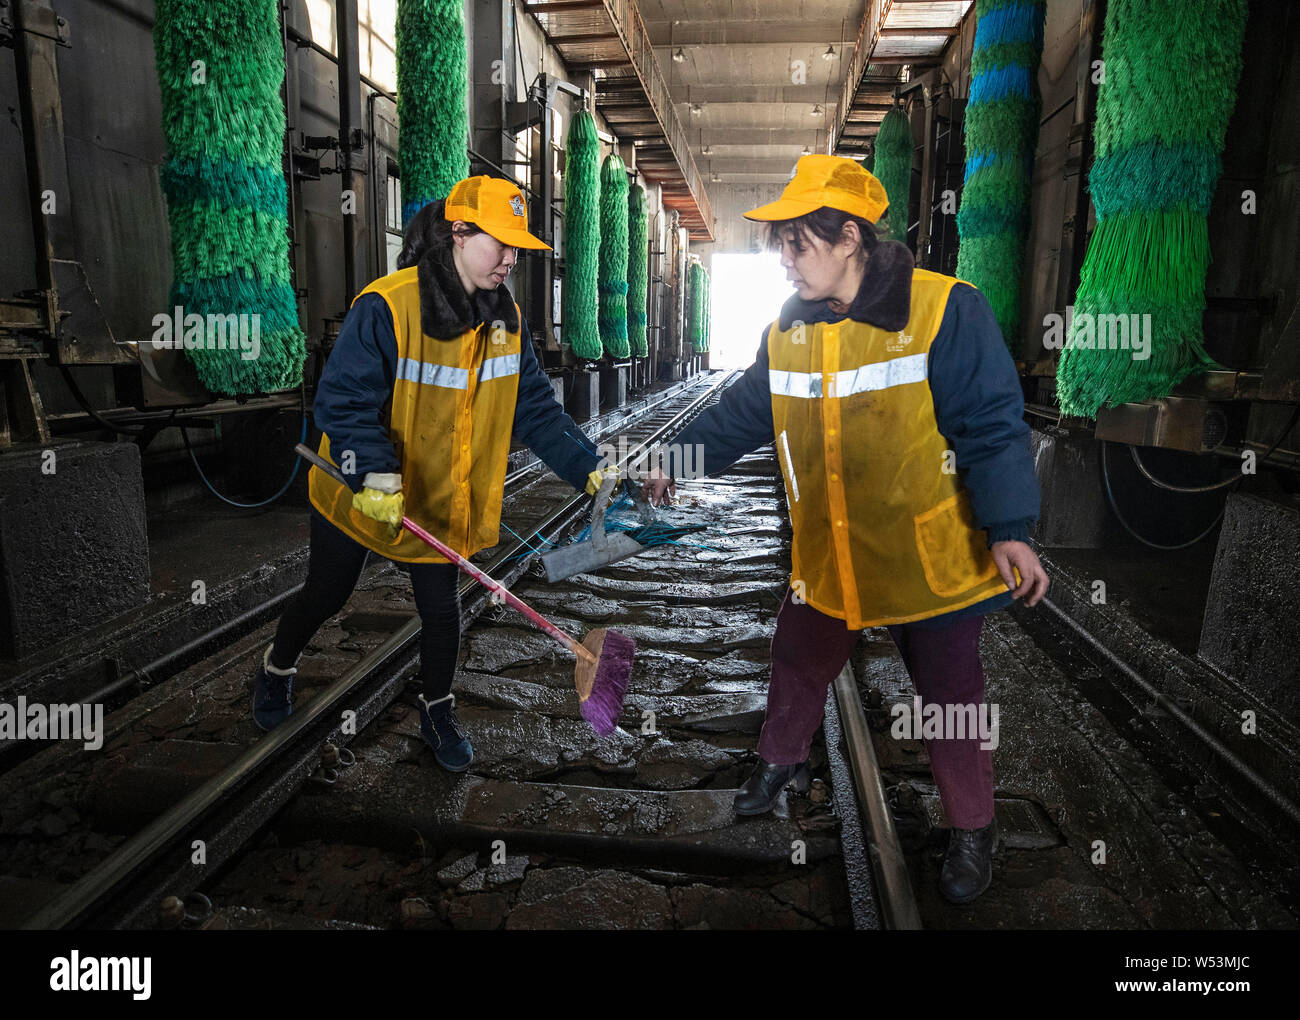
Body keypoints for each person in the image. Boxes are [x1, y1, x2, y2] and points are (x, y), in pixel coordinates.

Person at [642, 154, 1049, 904]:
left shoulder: (945, 310)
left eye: (798, 244)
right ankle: (780, 761)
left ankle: (972, 827)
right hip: (829, 554)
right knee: (797, 656)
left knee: (950, 695)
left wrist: (1010, 527)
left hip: (927, 557)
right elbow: (742, 414)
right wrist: (674, 457)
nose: (786, 263)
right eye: (782, 247)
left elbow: (991, 426)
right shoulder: (790, 328)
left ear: (851, 237)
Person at [252, 175, 614, 771]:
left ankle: (437, 711)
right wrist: (373, 475)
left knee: (443, 614)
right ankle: (276, 670)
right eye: (497, 242)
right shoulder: (388, 306)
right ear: (458, 233)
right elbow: (341, 401)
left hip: (441, 499)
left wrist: (588, 467)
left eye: (517, 246)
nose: (509, 259)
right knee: (328, 592)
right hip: (362, 492)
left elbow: (537, 411)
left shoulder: (508, 321)